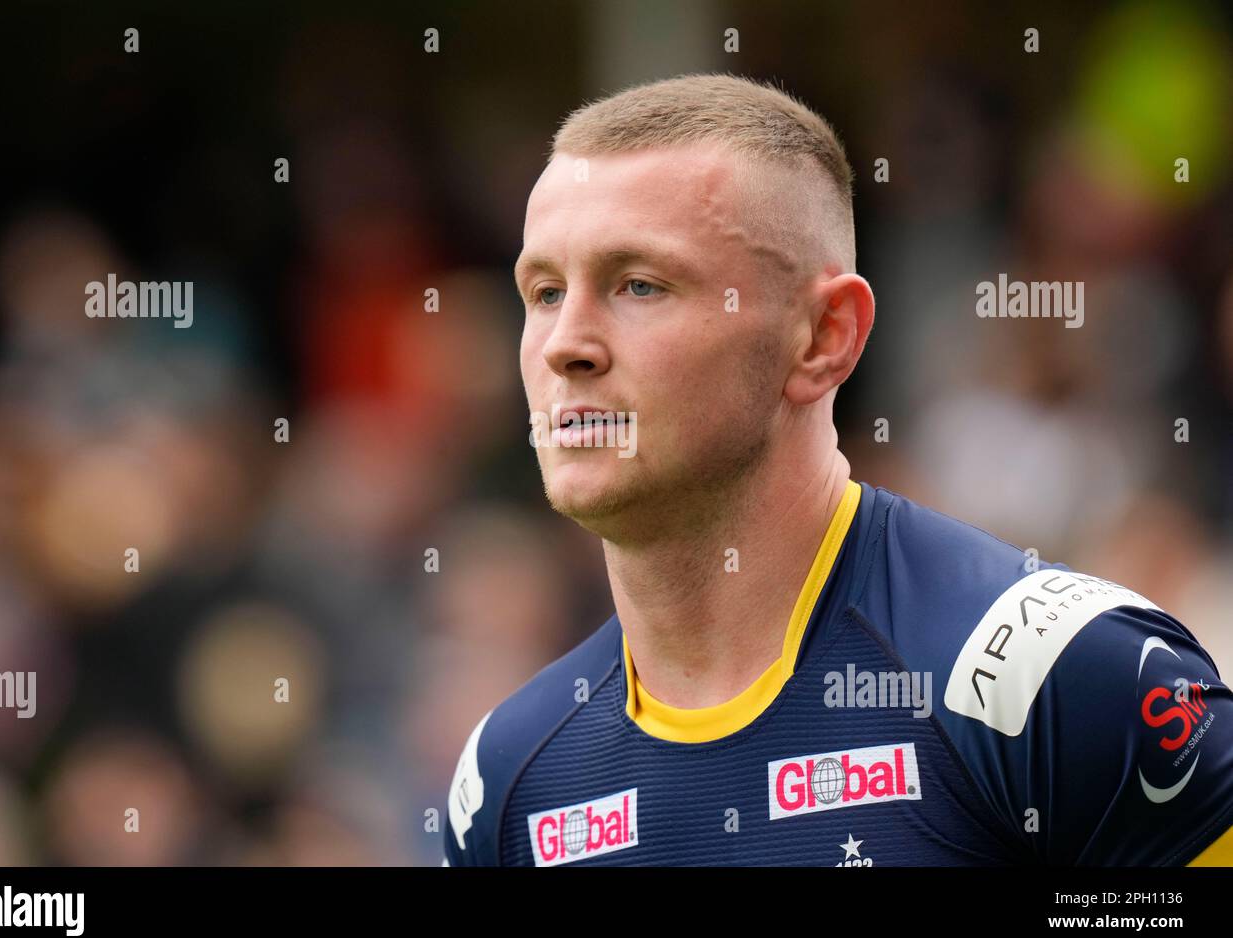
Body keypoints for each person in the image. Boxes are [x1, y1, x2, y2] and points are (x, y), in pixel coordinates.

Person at [441, 72, 1233, 866]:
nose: (563, 344)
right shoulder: (507, 782)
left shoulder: (1053, 680)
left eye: (639, 285)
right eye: (543, 292)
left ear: (824, 336)